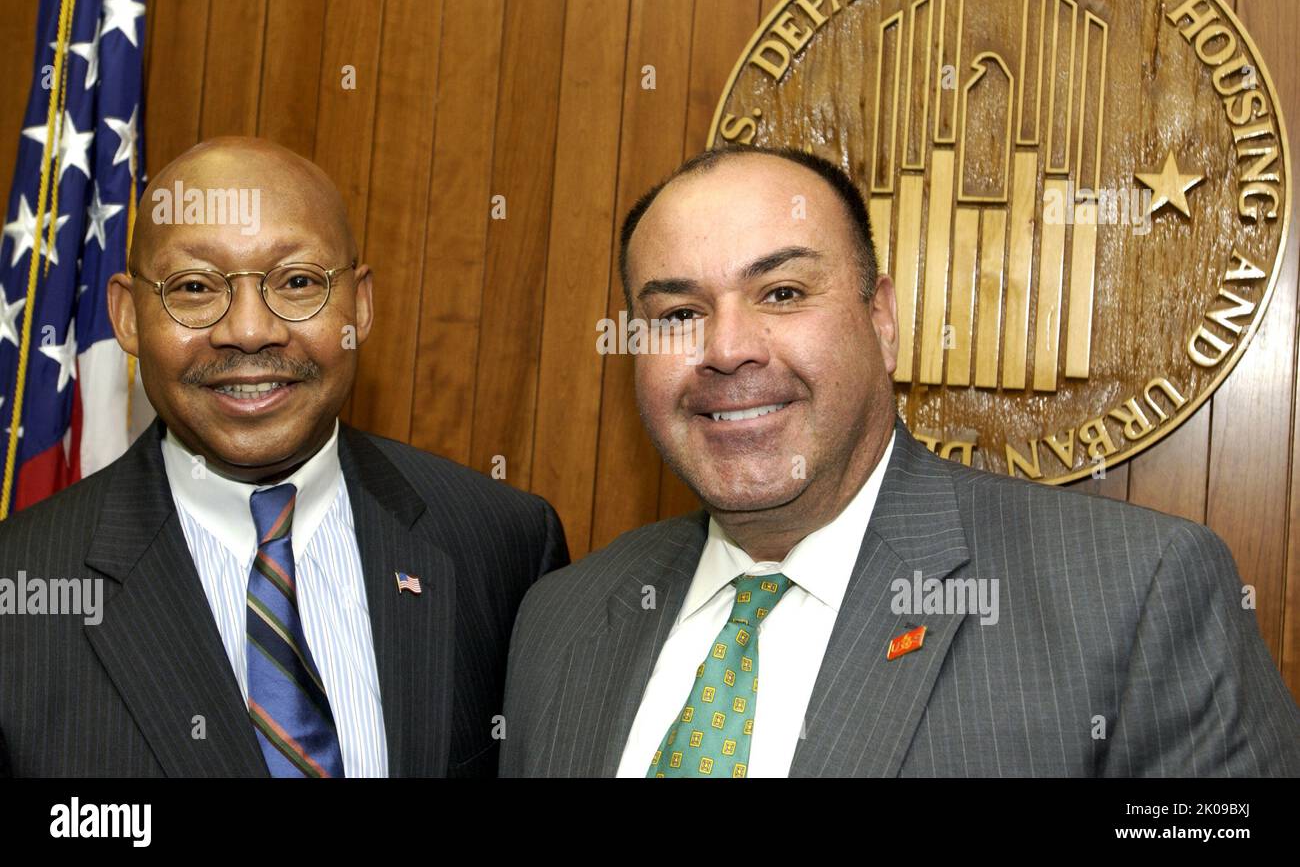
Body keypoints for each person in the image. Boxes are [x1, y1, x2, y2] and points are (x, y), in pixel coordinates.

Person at [500, 144, 1300, 777]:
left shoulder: (1132, 595)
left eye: (782, 293)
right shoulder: (562, 618)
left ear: (880, 320)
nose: (727, 349)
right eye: (678, 312)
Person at [0, 136, 567, 777]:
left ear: (361, 303)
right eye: (193, 287)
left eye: (298, 282)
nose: (247, 330)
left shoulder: (505, 547)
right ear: (129, 316)